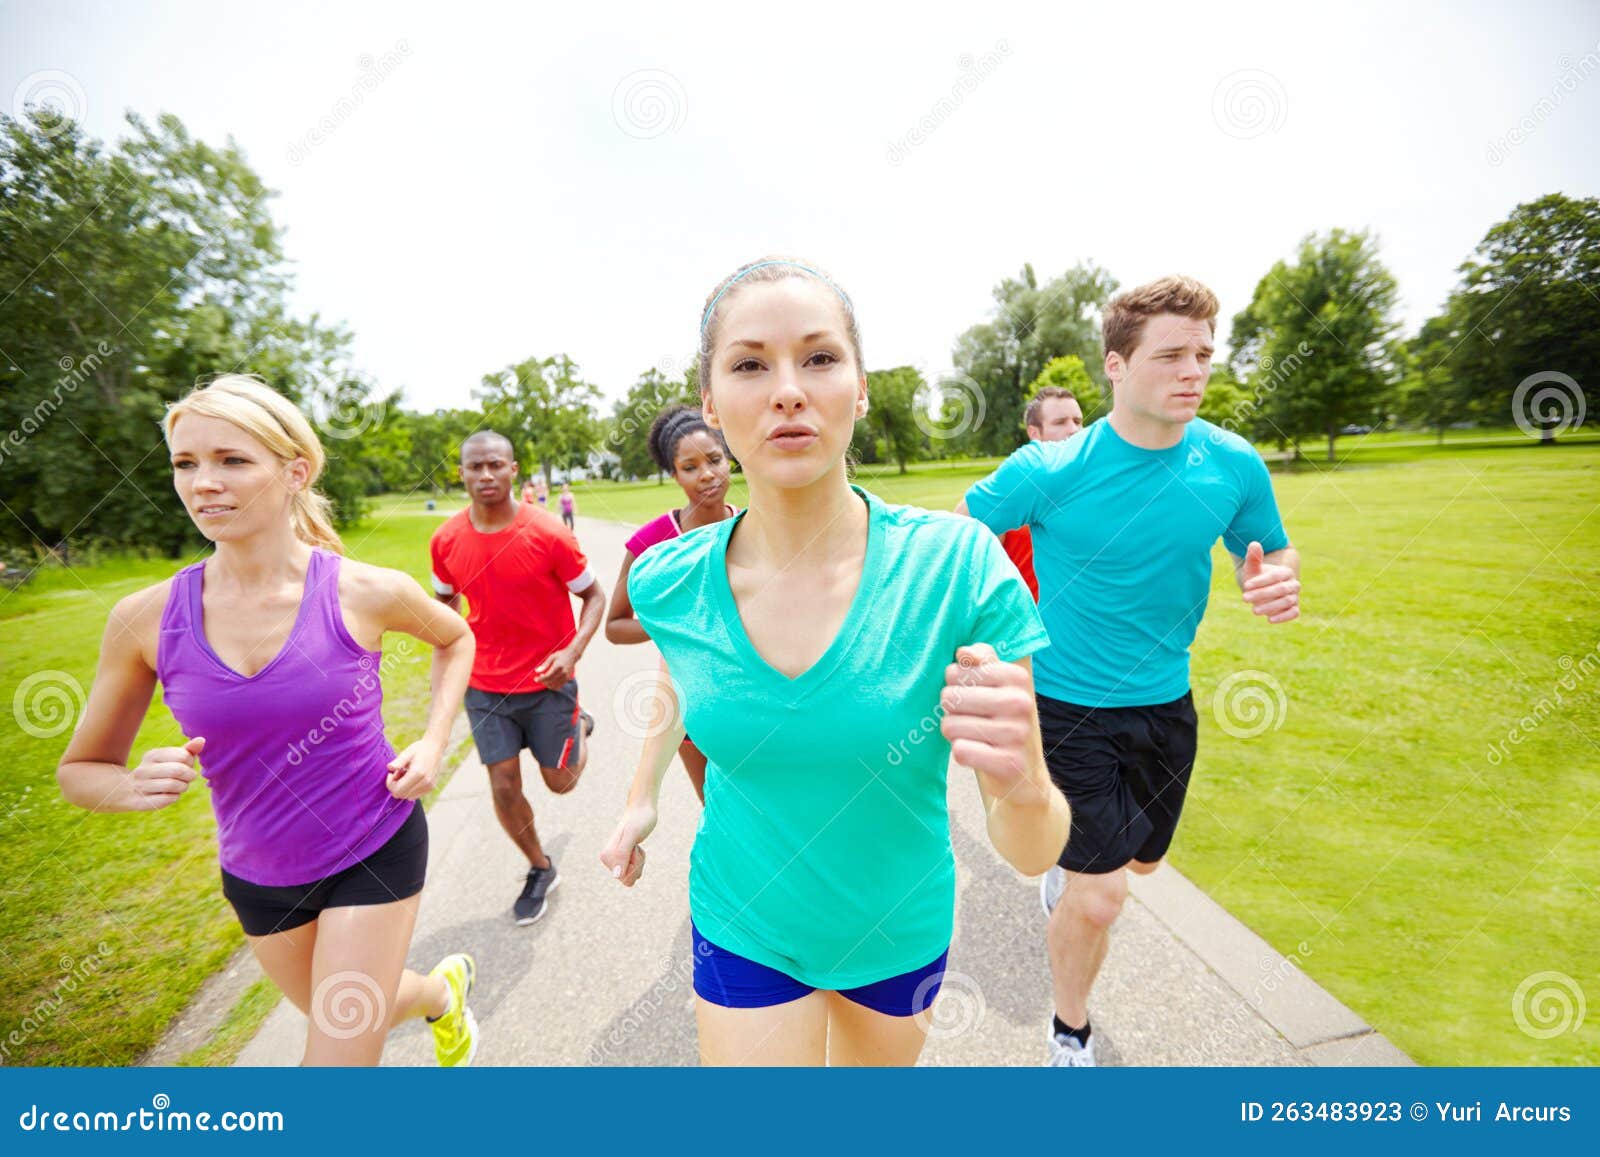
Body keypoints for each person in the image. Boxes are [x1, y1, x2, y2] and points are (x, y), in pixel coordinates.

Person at [600, 257, 1070, 1067]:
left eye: (819, 358)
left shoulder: (957, 568)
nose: (788, 389)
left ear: (859, 388)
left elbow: (1032, 851)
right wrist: (641, 796)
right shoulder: (669, 579)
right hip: (741, 917)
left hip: (897, 926)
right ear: (711, 403)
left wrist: (1023, 777)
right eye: (750, 364)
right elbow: (687, 672)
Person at [57, 375, 480, 1067]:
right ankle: (440, 993)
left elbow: (455, 636)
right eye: (185, 464)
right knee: (336, 1010)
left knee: (333, 1068)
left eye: (231, 460)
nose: (202, 484)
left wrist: (435, 742)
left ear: (295, 471)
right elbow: (80, 771)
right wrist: (128, 785)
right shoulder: (142, 618)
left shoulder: (362, 590)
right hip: (258, 876)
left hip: (372, 847)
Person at [958, 276, 1302, 1067]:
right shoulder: (1051, 468)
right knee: (1103, 893)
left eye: (1205, 355)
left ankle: (1079, 874)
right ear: (1115, 365)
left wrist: (1273, 574)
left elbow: (1269, 545)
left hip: (1167, 708)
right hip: (1069, 706)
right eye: (1172, 354)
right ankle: (1069, 1031)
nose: (1195, 371)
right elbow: (959, 536)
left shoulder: (1231, 462)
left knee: (1144, 861)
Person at [430, 432, 604, 925]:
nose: (485, 476)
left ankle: (579, 726)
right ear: (461, 473)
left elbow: (594, 597)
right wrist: (443, 659)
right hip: (484, 684)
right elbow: (444, 606)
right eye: (475, 467)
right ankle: (539, 867)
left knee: (561, 782)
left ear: (513, 469)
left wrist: (572, 652)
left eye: (495, 466)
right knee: (503, 782)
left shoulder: (549, 533)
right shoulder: (445, 540)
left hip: (548, 681)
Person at [603, 403, 738, 802]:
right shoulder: (652, 540)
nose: (708, 474)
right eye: (690, 467)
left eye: (715, 459)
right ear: (674, 474)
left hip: (756, 690)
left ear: (729, 459)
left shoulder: (753, 523)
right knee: (715, 805)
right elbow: (614, 626)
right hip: (687, 698)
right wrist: (674, 622)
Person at [1001, 386, 1086, 601]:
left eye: (1077, 421)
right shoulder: (1010, 488)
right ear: (1034, 433)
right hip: (1026, 625)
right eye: (1060, 422)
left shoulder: (1095, 486)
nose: (1073, 430)